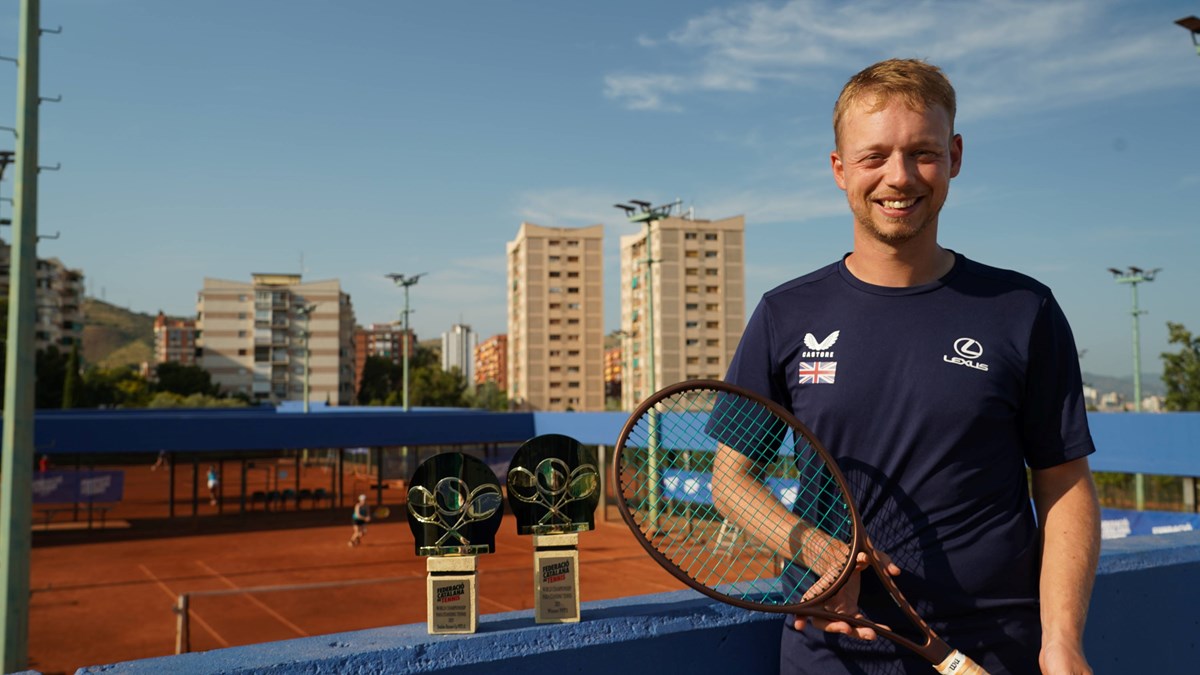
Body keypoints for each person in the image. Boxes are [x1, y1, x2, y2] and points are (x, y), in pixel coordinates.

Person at [715, 59, 1100, 675]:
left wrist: (1062, 641)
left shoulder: (1023, 309)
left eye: (923, 153)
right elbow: (731, 480)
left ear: (954, 157)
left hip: (998, 646)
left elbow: (1063, 483)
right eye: (874, 156)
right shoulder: (785, 314)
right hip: (832, 652)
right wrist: (818, 550)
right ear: (840, 169)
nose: (899, 177)